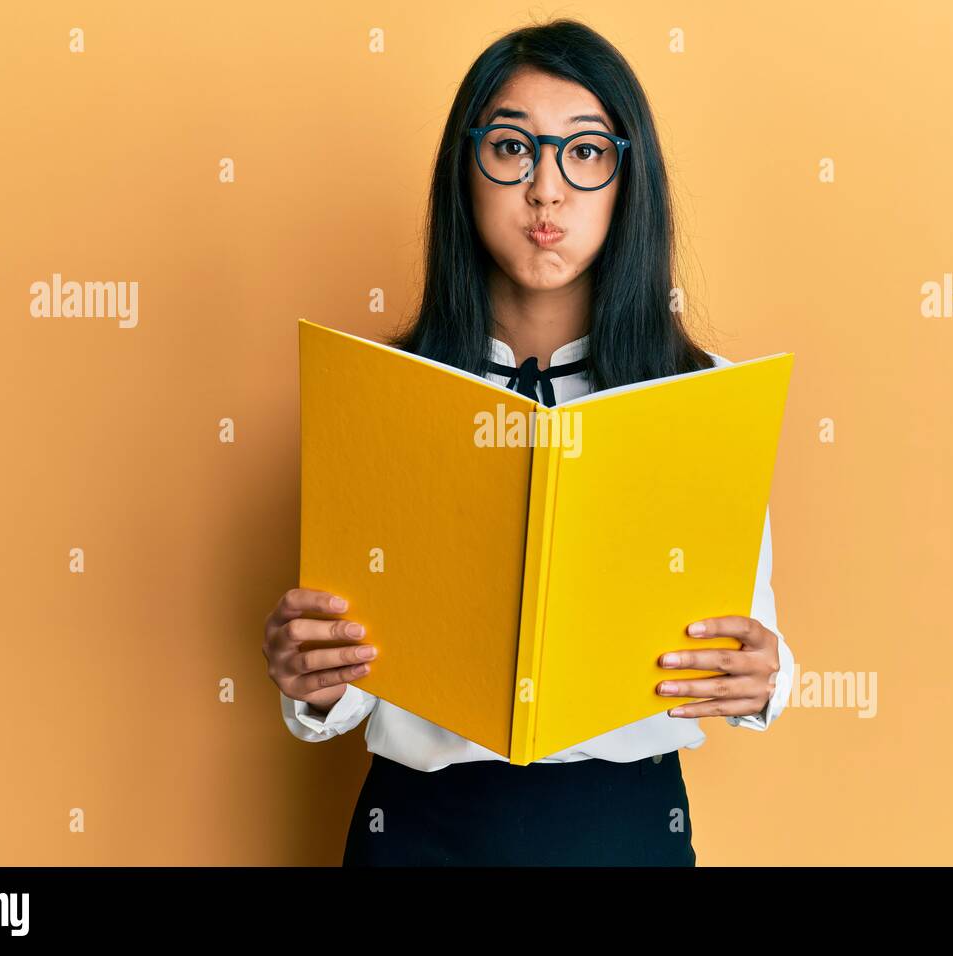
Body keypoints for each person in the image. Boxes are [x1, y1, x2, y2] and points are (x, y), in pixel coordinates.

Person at [262, 18, 795, 866]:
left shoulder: (700, 394)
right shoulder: (384, 391)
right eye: (512, 149)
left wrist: (766, 676)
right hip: (415, 831)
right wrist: (307, 680)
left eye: (585, 154)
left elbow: (750, 635)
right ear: (464, 173)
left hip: (625, 828)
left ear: (629, 180)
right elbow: (345, 677)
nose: (546, 190)